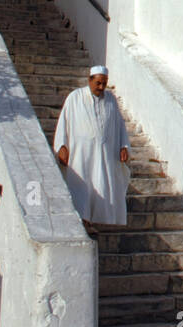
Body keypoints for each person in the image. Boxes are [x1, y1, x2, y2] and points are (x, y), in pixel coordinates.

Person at [53, 65, 130, 233]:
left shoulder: (110, 100)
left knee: (99, 184)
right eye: (98, 83)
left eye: (104, 83)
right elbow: (64, 123)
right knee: (82, 186)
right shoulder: (75, 97)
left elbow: (120, 125)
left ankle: (91, 221)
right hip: (80, 154)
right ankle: (83, 221)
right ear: (89, 80)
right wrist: (62, 146)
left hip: (104, 154)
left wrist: (124, 146)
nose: (101, 87)